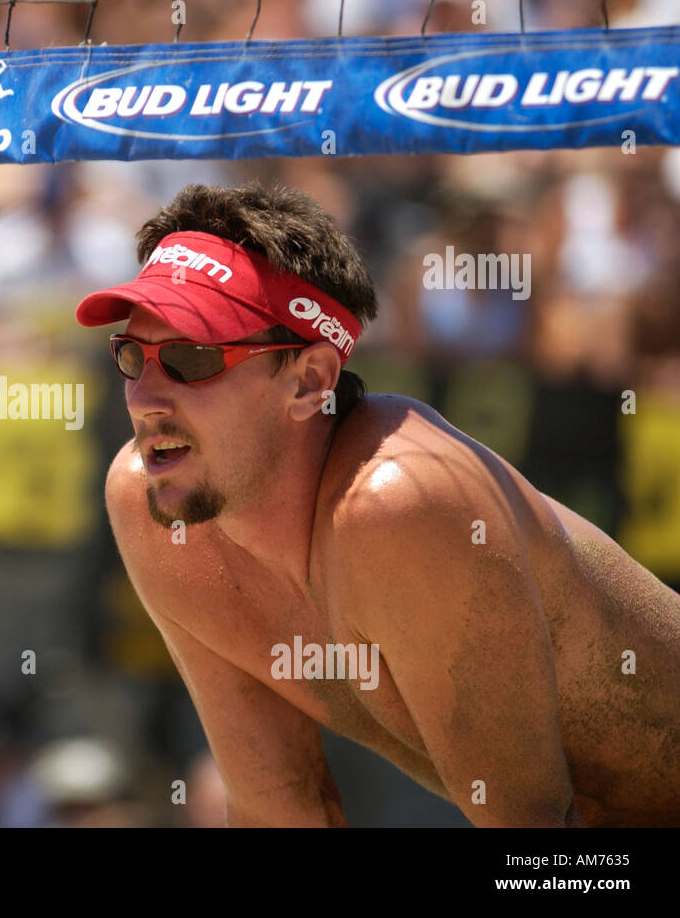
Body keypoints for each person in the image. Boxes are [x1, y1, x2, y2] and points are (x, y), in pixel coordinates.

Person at [76, 182, 680, 827]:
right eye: (133, 356)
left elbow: (537, 846)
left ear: (309, 382)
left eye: (192, 359)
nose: (143, 397)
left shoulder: (397, 502)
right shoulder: (152, 503)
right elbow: (277, 810)